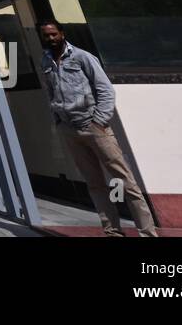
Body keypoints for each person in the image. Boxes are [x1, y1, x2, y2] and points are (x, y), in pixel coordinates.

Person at [39, 20, 158, 237]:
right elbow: (50, 91)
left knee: (124, 181)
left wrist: (99, 121)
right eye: (46, 35)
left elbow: (105, 90)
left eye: (54, 34)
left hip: (94, 127)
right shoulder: (46, 60)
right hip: (70, 129)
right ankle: (112, 231)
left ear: (62, 33)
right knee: (94, 184)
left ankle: (147, 233)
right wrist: (57, 119)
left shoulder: (82, 57)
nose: (50, 39)